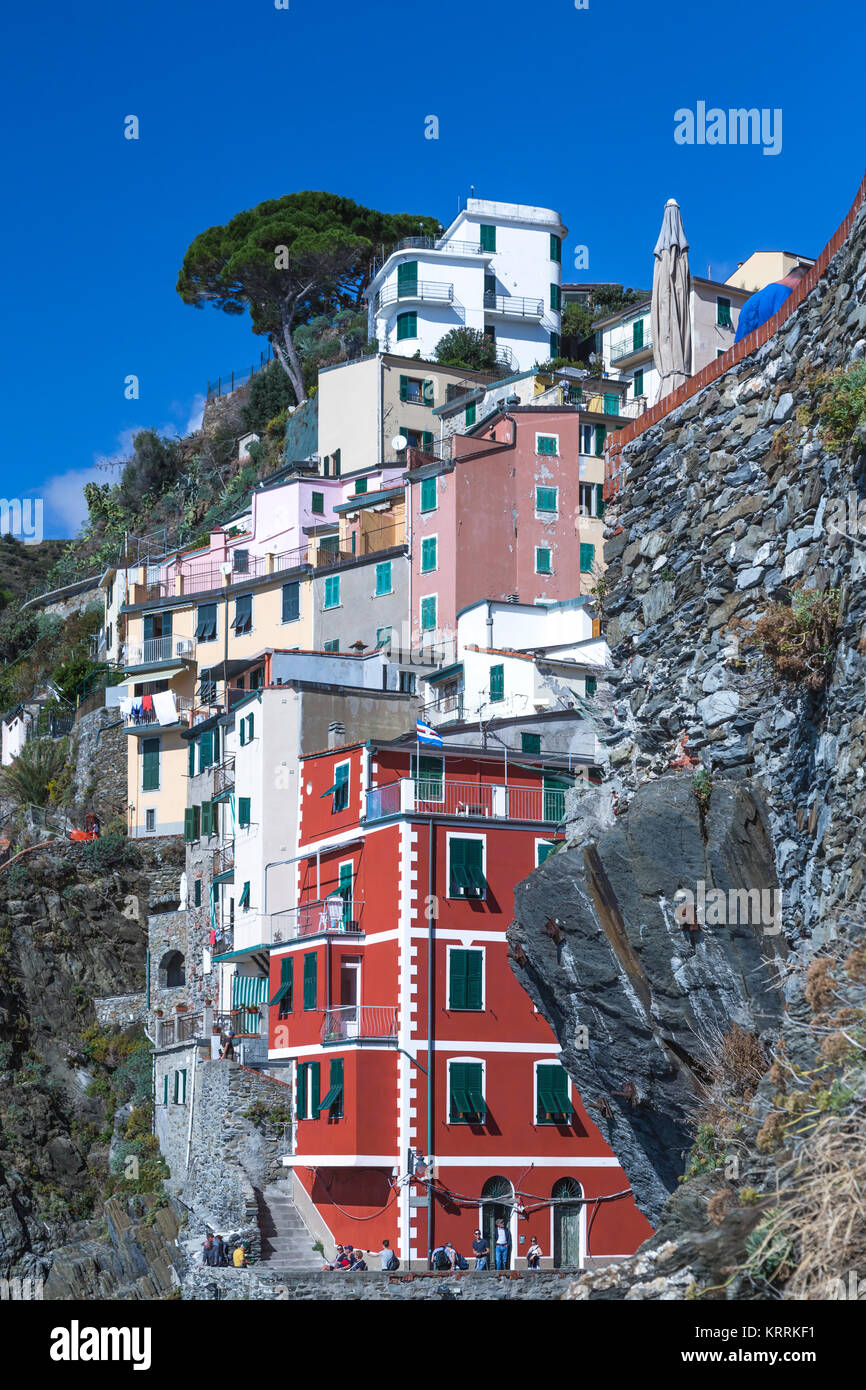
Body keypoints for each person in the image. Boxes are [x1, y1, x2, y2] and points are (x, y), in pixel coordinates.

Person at [734, 265, 809, 344]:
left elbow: (740, 341)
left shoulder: (755, 297)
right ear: (802, 281)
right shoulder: (785, 294)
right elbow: (784, 327)